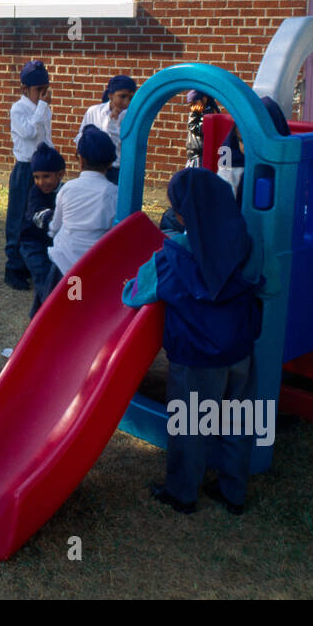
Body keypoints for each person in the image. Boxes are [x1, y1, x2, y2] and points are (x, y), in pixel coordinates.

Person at [122, 168, 262, 515]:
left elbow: (134, 295)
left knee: (189, 425)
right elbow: (265, 284)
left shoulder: (172, 256)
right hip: (240, 348)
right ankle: (234, 491)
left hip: (195, 356)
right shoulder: (247, 246)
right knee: (239, 419)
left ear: (182, 214)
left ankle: (182, 492)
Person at [43, 125, 117, 304]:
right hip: (94, 265)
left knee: (58, 310)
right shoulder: (114, 193)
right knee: (85, 308)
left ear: (80, 160)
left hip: (63, 263)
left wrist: (50, 230)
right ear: (110, 163)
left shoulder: (68, 189)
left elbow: (55, 226)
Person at [5, 60, 52, 290]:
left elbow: (46, 137)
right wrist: (41, 107)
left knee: (39, 216)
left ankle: (31, 262)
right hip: (25, 170)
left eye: (46, 89)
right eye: (38, 90)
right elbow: (30, 133)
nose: (44, 95)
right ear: (25, 89)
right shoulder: (19, 109)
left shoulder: (44, 108)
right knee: (18, 218)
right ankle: (13, 268)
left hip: (42, 169)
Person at [22, 142, 66, 318]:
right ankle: (43, 318)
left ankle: (40, 314)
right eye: (36, 177)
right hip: (33, 244)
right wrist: (60, 220)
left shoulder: (66, 191)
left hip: (53, 244)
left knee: (52, 280)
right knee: (43, 278)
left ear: (60, 173)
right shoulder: (36, 193)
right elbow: (40, 216)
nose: (41, 182)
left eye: (46, 176)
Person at [76, 75, 136, 184]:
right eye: (122, 96)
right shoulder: (94, 111)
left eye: (131, 98)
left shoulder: (131, 117)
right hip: (94, 168)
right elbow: (81, 135)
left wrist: (114, 122)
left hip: (117, 169)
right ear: (111, 95)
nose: (126, 102)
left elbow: (119, 144)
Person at [185, 91, 220, 168]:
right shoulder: (198, 113)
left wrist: (193, 115)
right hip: (193, 156)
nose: (192, 108)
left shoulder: (208, 113)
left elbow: (198, 129)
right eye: (190, 105)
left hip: (199, 156)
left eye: (194, 103)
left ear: (204, 99)